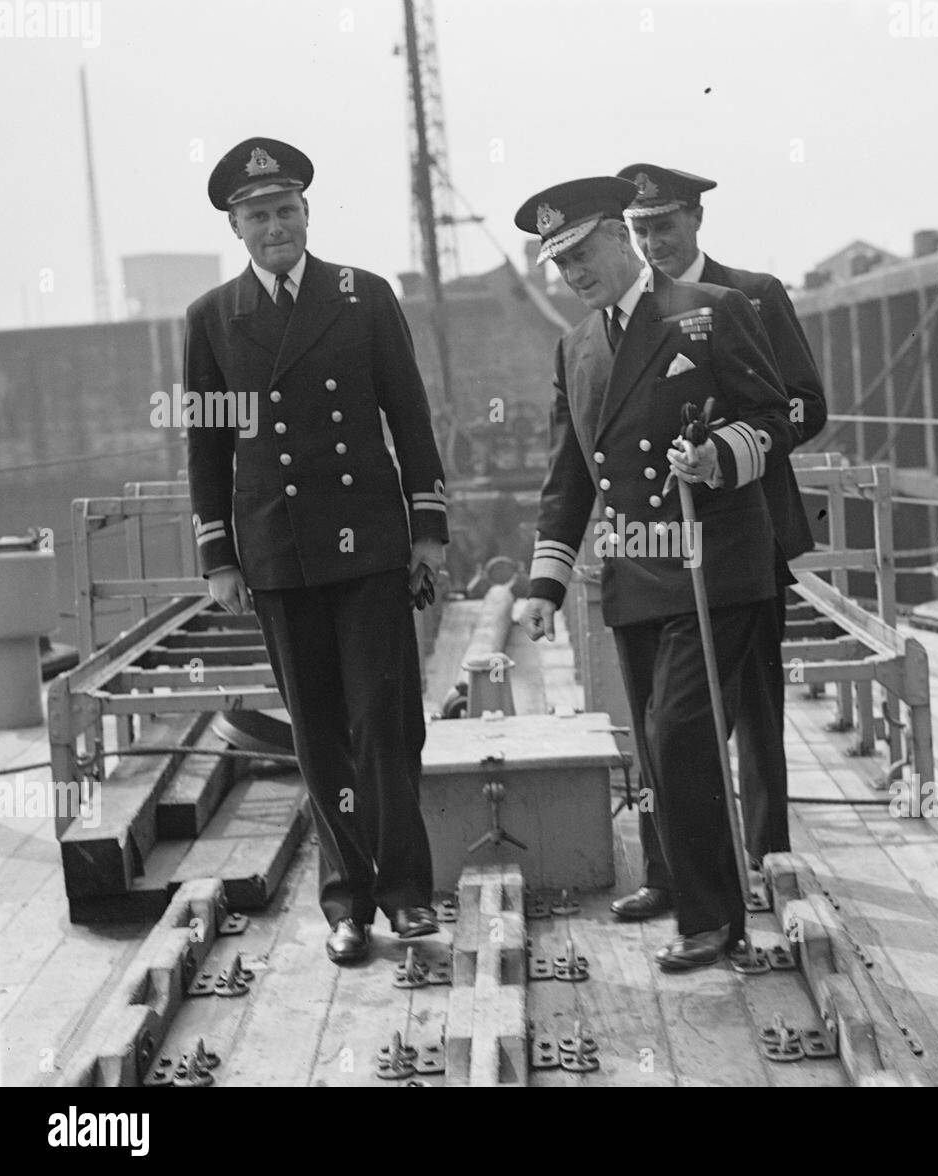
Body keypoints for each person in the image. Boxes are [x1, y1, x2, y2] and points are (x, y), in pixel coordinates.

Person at [514, 176, 795, 970]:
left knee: (681, 737)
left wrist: (718, 457)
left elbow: (774, 417)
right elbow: (569, 473)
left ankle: (714, 919)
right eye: (557, 264)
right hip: (635, 575)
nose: (572, 274)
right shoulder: (576, 348)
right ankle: (673, 880)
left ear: (617, 236)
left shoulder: (710, 311)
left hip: (716, 568)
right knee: (652, 740)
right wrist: (546, 581)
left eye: (579, 253)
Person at [185, 137, 450, 965]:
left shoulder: (362, 294)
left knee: (387, 723)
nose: (276, 227)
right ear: (237, 227)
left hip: (369, 545)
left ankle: (407, 892)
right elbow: (206, 447)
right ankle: (347, 902)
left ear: (306, 212)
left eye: (287, 211)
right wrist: (219, 554)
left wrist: (430, 531)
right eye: (259, 216)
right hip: (279, 554)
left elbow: (409, 416)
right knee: (317, 733)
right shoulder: (212, 319)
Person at [607, 163, 826, 924]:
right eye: (639, 230)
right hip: (661, 546)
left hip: (748, 529)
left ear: (696, 220)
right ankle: (671, 867)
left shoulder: (752, 296)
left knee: (756, 705)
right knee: (668, 721)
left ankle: (765, 856)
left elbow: (802, 404)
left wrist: (729, 451)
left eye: (665, 225)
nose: (654, 242)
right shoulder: (630, 315)